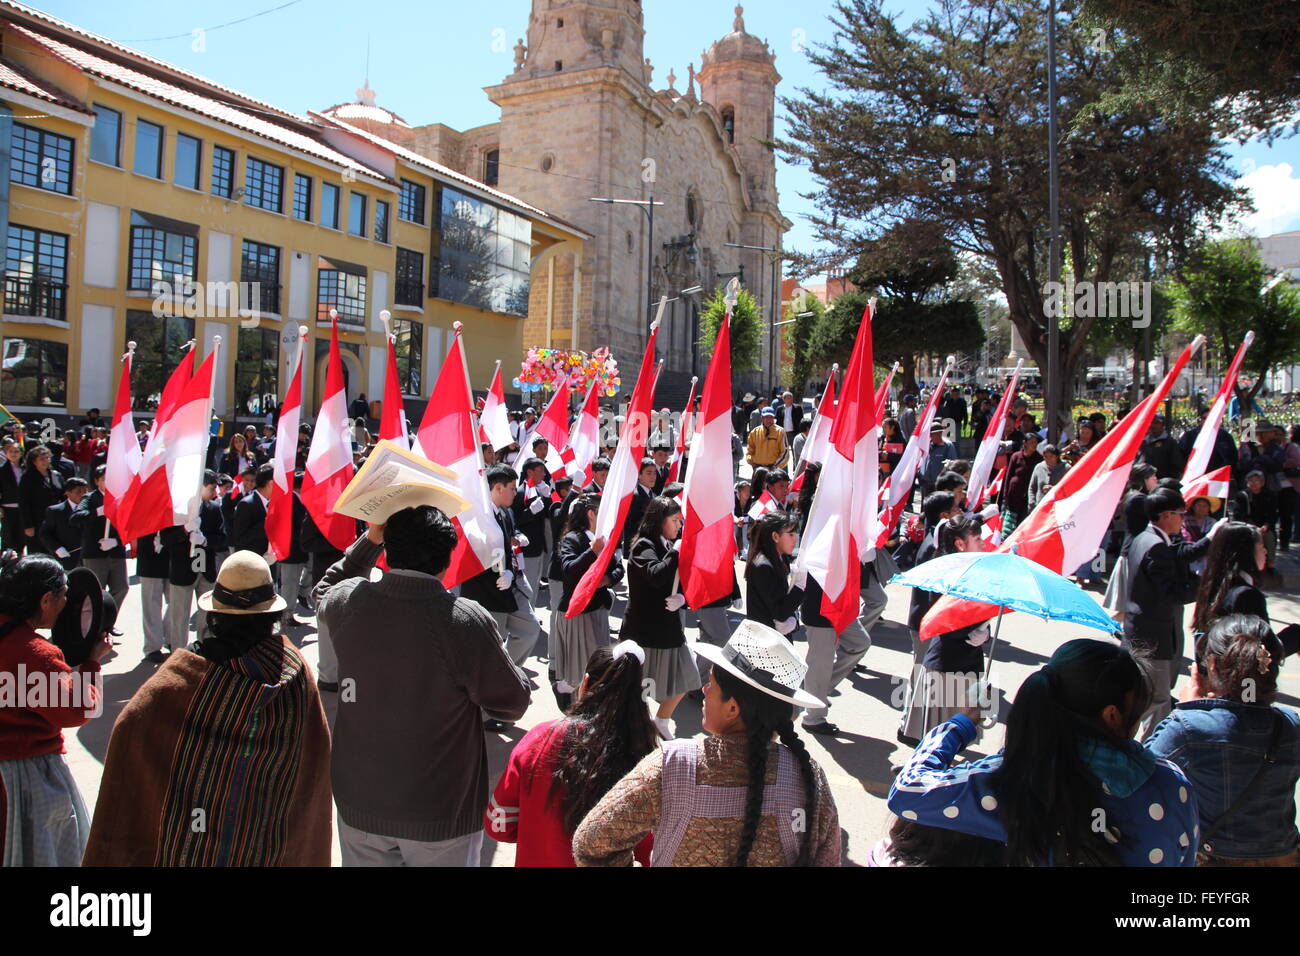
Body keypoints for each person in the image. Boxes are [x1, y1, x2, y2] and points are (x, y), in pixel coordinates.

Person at [83, 550, 332, 865]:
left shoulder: (181, 680)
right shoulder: (295, 673)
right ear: (270, 614)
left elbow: (130, 729)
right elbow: (312, 760)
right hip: (266, 848)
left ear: (216, 615)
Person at [315, 507, 531, 866]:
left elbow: (324, 588)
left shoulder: (348, 602)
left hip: (360, 802)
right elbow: (512, 702)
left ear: (387, 550)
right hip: (439, 812)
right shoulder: (464, 620)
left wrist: (369, 540)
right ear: (447, 558)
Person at [889, 638, 1199, 866]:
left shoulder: (1008, 781)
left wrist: (958, 726)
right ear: (1112, 716)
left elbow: (906, 791)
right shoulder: (1171, 786)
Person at [573, 621, 840, 866]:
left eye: (710, 683)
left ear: (733, 708)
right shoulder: (807, 776)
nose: (704, 690)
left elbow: (591, 843)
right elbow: (828, 859)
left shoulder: (674, 766)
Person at [1146, 615, 1299, 866]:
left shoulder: (1188, 728)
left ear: (1213, 665)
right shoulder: (1291, 725)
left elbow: (1137, 772)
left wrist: (1185, 709)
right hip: (1283, 856)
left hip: (1215, 857)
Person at [485, 643, 657, 866]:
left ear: (585, 683)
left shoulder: (541, 737)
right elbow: (652, 852)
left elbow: (499, 826)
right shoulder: (643, 756)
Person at [0, 551, 111, 865]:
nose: (66, 604)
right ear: (46, 600)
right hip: (23, 776)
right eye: (64, 596)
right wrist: (91, 664)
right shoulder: (35, 655)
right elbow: (78, 709)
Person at [1124, 488, 1212, 739]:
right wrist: (1204, 582)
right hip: (1153, 635)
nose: (1183, 519)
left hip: (1140, 630)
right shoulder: (1156, 547)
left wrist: (1209, 540)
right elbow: (1173, 594)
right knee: (1157, 699)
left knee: (1150, 698)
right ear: (1165, 515)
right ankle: (1145, 751)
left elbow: (1180, 554)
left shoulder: (1146, 538)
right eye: (1180, 514)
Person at [898, 514, 990, 744]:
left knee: (956, 736)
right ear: (960, 544)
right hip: (947, 665)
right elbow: (942, 617)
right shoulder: (945, 572)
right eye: (977, 539)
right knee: (939, 738)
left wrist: (983, 629)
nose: (983, 543)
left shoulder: (973, 570)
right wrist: (973, 631)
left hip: (967, 661)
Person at [618, 495, 699, 739]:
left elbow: (682, 578)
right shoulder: (644, 545)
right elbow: (655, 575)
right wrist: (675, 553)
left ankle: (661, 720)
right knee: (639, 689)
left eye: (679, 520)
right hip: (646, 632)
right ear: (659, 521)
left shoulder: (667, 545)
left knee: (688, 676)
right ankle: (633, 729)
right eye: (674, 520)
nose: (679, 525)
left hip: (668, 630)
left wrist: (683, 598)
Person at [460, 465, 541, 679]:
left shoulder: (505, 513)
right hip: (485, 592)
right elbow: (472, 555)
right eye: (512, 488)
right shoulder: (477, 515)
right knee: (485, 646)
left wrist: (510, 571)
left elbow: (507, 546)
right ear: (497, 487)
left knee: (530, 629)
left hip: (509, 586)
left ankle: (505, 672)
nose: (516, 492)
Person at [552, 494, 622, 707]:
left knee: (596, 667)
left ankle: (571, 693)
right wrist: (593, 551)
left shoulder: (604, 539)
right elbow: (569, 570)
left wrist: (607, 579)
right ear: (591, 514)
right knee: (584, 670)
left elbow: (619, 568)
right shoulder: (574, 539)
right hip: (578, 612)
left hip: (599, 610)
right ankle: (569, 697)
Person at [1190, 522, 1299, 656]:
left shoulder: (1214, 583)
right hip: (1241, 675)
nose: (1265, 551)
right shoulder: (1246, 595)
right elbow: (1263, 651)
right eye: (1261, 546)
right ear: (1246, 552)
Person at [799, 568, 871, 737]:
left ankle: (815, 691)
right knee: (820, 663)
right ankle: (813, 717)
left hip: (842, 604)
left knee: (860, 643)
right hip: (820, 605)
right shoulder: (823, 542)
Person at [71, 466, 128, 614]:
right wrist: (98, 511)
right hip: (95, 553)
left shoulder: (122, 497)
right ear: (97, 481)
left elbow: (129, 522)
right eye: (104, 479)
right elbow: (76, 518)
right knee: (96, 590)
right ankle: (96, 622)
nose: (108, 482)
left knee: (121, 587)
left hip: (116, 551)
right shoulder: (89, 498)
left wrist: (117, 541)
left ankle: (108, 617)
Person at [744, 510, 802, 635]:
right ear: (775, 536)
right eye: (791, 534)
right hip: (764, 641)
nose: (796, 539)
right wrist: (800, 587)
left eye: (796, 534)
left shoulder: (780, 557)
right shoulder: (762, 566)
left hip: (775, 638)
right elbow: (780, 612)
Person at [18, 445, 64, 554]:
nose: (45, 461)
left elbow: (62, 495)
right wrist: (28, 525)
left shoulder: (56, 475)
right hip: (37, 520)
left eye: (47, 457)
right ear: (34, 462)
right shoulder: (27, 477)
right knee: (38, 551)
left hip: (55, 521)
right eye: (41, 459)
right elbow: (24, 502)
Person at [998, 431, 1041, 536]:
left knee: (1024, 520)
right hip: (1014, 494)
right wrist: (1005, 495)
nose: (1034, 445)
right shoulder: (1016, 456)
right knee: (1010, 521)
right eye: (1031, 442)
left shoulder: (1038, 458)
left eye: (1035, 442)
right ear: (1025, 443)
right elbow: (1008, 476)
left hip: (1028, 495)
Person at [40, 477, 87, 570]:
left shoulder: (92, 508)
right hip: (68, 558)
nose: (83, 495)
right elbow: (45, 533)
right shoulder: (56, 511)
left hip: (90, 557)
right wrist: (57, 548)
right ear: (68, 493)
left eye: (85, 492)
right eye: (78, 492)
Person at [1138, 414, 1185, 480]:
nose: (1154, 426)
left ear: (1163, 425)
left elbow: (1177, 464)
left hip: (1163, 481)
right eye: (1152, 422)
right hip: (1145, 480)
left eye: (1157, 423)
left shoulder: (1170, 442)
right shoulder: (1143, 442)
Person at [0, 441, 25, 553]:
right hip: (7, 508)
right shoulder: (2, 470)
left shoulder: (26, 469)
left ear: (21, 453)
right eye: (10, 451)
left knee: (22, 537)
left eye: (16, 451)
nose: (13, 454)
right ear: (6, 453)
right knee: (8, 537)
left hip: (24, 508)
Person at [1027, 443, 1067, 511]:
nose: (1048, 459)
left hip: (1058, 508)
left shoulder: (1066, 468)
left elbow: (1070, 487)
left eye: (1051, 456)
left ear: (1057, 456)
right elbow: (1032, 488)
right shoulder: (1039, 467)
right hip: (1039, 508)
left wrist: (1054, 489)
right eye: (1045, 456)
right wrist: (1032, 503)